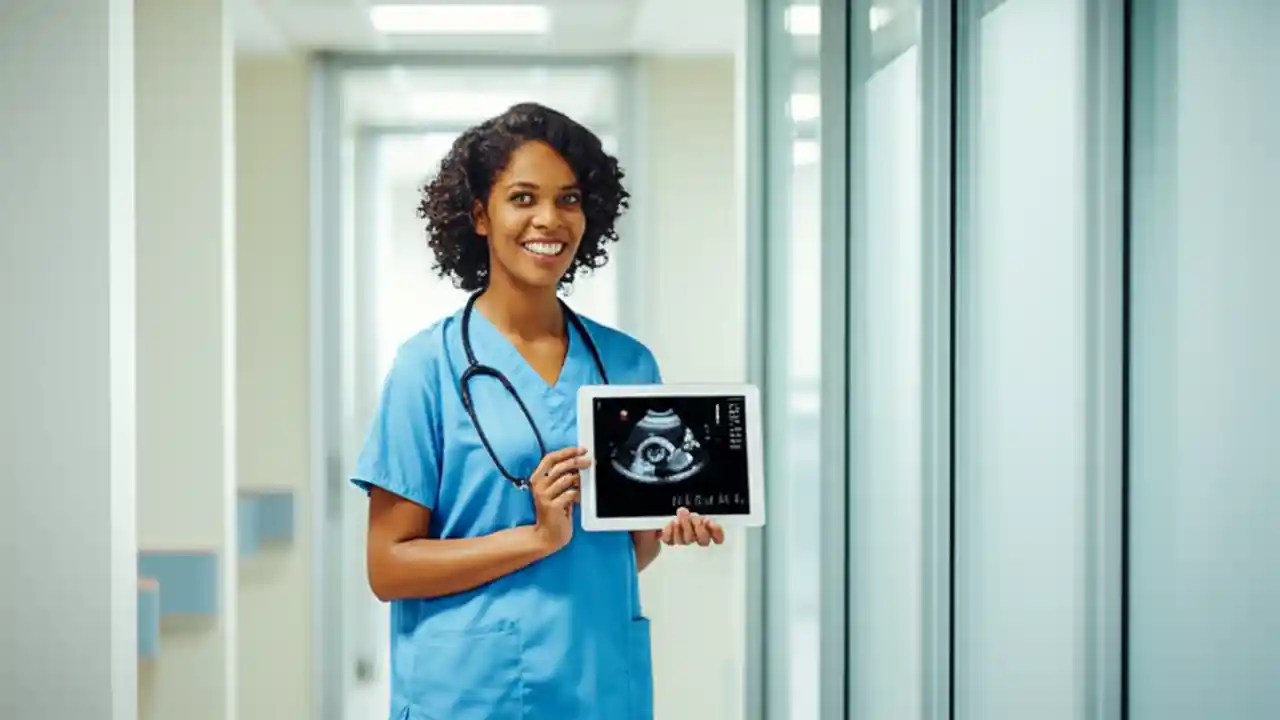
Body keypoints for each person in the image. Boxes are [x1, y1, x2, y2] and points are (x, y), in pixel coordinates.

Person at [352, 102, 726, 720]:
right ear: (479, 214)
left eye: (569, 199)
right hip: (470, 692)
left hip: (599, 681)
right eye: (523, 198)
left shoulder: (627, 365)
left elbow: (626, 552)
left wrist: (661, 529)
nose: (549, 219)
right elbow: (388, 567)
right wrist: (535, 538)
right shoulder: (428, 367)